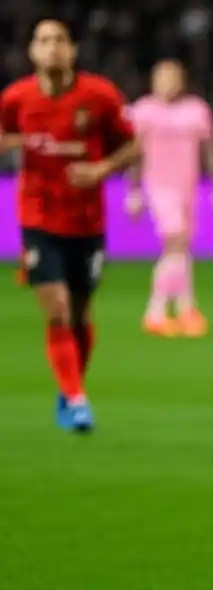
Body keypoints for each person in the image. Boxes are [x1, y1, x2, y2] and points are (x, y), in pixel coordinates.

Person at [0, 18, 138, 433]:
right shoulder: (16, 98)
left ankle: (70, 385)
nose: (52, 47)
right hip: (38, 218)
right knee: (57, 309)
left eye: (60, 39)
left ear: (73, 49)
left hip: (86, 221)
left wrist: (101, 169)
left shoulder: (99, 96)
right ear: (31, 51)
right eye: (44, 40)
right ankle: (77, 399)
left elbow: (133, 145)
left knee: (79, 311)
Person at [126, 58, 213, 337]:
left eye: (172, 78)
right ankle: (155, 311)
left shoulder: (196, 110)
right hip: (158, 186)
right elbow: (134, 153)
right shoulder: (144, 110)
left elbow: (211, 149)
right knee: (176, 241)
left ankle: (186, 308)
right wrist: (133, 191)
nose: (167, 84)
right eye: (161, 78)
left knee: (181, 249)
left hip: (188, 188)